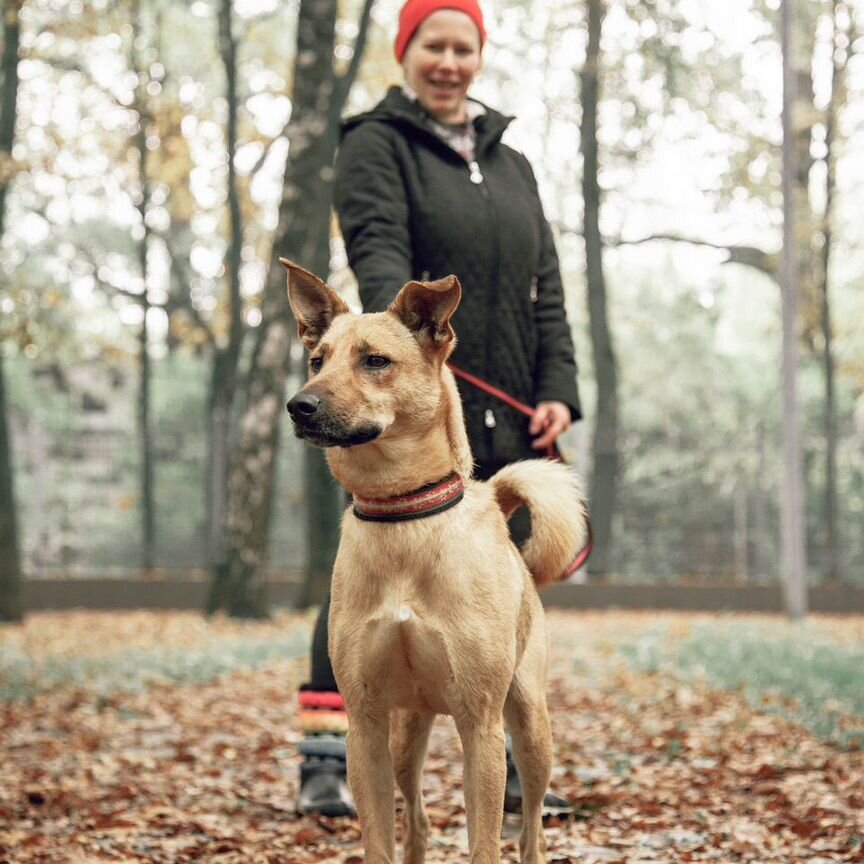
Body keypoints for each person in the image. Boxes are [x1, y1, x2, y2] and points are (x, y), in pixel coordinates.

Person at [295, 0, 582, 819]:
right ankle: (325, 757)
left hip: (510, 405)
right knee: (371, 580)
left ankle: (511, 769)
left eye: (464, 47)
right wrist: (398, 351)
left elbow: (547, 288)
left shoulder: (515, 162)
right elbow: (378, 245)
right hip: (410, 388)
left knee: (487, 597)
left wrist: (556, 387)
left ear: (480, 56)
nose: (449, 62)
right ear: (406, 51)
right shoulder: (375, 143)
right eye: (433, 45)